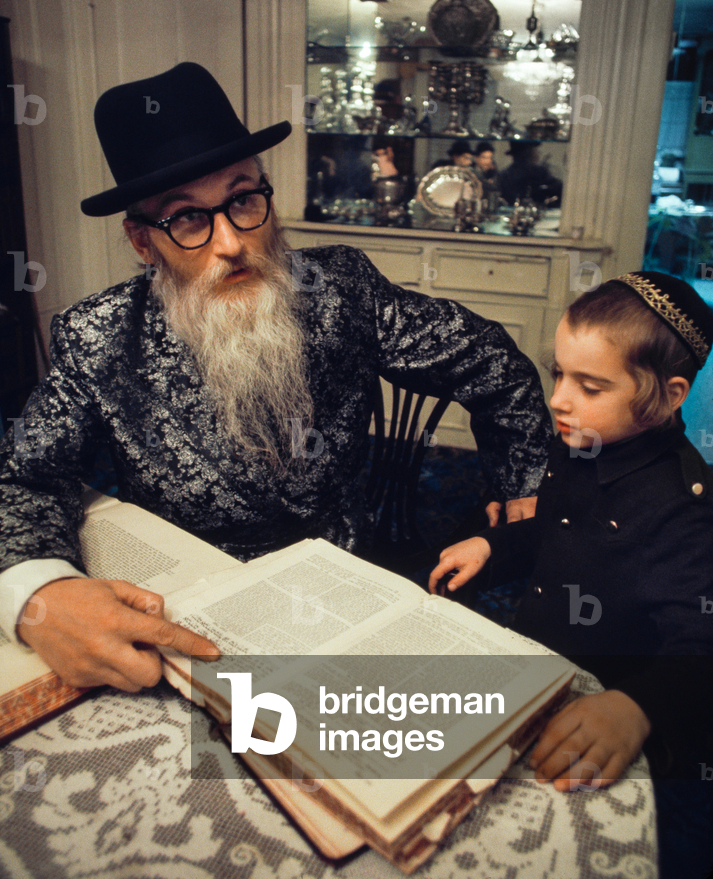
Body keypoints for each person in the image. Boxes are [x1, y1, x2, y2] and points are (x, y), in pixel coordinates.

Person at [0, 62, 552, 694]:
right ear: (143, 241)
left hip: (344, 586)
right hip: (188, 606)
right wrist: (40, 592)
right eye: (187, 218)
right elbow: (23, 476)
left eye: (242, 199)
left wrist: (522, 477)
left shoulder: (342, 288)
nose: (232, 243)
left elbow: (488, 358)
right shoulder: (99, 338)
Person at [429, 271, 713, 879]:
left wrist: (638, 705)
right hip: (540, 668)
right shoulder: (582, 441)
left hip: (601, 715)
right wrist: (493, 544)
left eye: (590, 386)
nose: (558, 399)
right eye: (558, 374)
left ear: (669, 395)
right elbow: (557, 530)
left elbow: (699, 644)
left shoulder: (683, 509)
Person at [498, 139, 562, 207]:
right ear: (528, 153)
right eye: (534, 150)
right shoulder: (539, 172)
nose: (536, 154)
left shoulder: (505, 174)